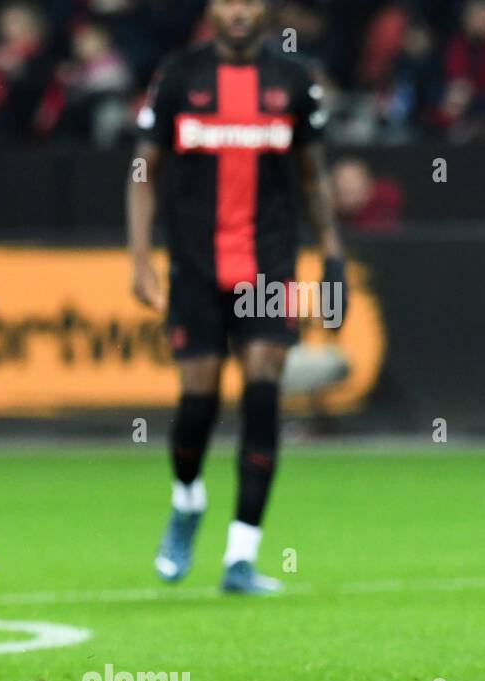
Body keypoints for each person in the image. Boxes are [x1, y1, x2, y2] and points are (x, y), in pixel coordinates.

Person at [126, 0, 347, 594]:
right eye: (229, 1)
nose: (240, 12)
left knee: (262, 393)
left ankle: (241, 556)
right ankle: (187, 501)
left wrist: (331, 254)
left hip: (266, 270)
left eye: (250, 1)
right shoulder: (179, 75)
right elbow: (143, 170)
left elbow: (311, 176)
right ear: (212, 10)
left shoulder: (294, 82)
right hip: (196, 270)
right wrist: (142, 258)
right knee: (198, 399)